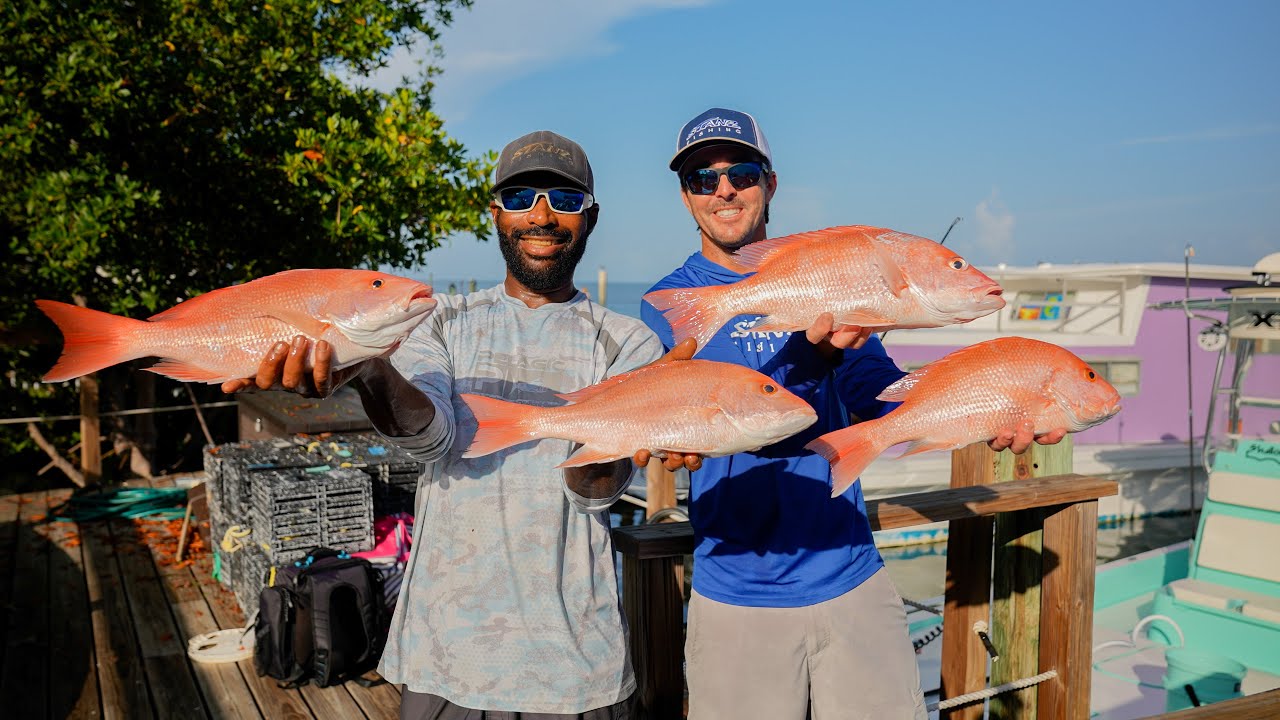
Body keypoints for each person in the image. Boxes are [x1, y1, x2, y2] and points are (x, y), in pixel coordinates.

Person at [226, 130, 695, 719]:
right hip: (443, 659)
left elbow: (593, 493)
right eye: (522, 196)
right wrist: (371, 370)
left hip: (577, 669)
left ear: (591, 218)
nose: (542, 215)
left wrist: (634, 422)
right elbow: (431, 437)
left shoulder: (630, 342)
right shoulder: (440, 322)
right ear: (494, 212)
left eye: (565, 200)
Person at [641, 108, 1067, 720]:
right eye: (702, 180)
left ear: (771, 182)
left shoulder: (832, 277)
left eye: (741, 172)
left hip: (853, 580)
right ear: (685, 197)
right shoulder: (669, 306)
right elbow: (663, 416)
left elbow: (883, 398)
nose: (724, 190)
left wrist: (991, 407)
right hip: (735, 596)